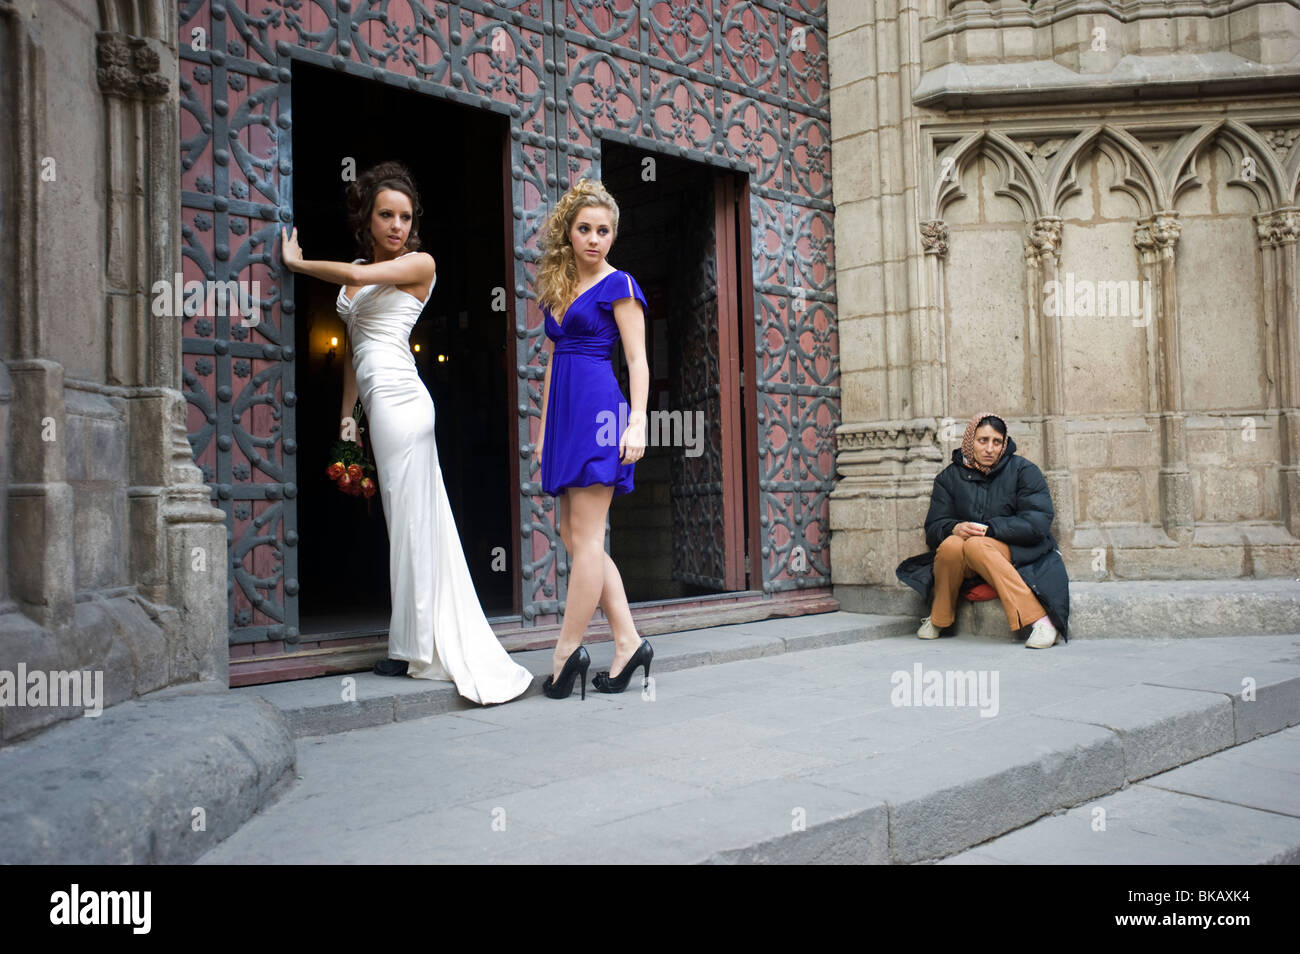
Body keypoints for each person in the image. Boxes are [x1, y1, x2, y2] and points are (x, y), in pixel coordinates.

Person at [280, 160, 531, 704]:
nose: (396, 225)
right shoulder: (359, 267)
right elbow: (352, 351)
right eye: (386, 215)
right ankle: (413, 641)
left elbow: (353, 280)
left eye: (405, 216)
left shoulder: (420, 262)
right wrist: (349, 417)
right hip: (378, 403)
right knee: (412, 522)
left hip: (404, 401)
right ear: (367, 220)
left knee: (411, 523)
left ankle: (412, 647)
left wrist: (296, 264)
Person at [534, 179, 653, 699]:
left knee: (588, 537)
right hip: (565, 415)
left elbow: (637, 360)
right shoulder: (560, 286)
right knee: (572, 534)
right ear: (570, 230)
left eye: (604, 230)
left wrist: (639, 421)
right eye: (585, 228)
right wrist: (542, 433)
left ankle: (566, 653)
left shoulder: (620, 285)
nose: (594, 239)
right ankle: (627, 641)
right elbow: (551, 364)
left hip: (601, 411)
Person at [896, 412, 1070, 648]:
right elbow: (934, 528)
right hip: (967, 558)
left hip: (1018, 550)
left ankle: (1040, 620)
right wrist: (955, 527)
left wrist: (991, 530)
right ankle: (939, 618)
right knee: (951, 544)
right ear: (970, 441)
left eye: (996, 442)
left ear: (1004, 443)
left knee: (976, 544)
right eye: (983, 440)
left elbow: (1037, 523)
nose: (990, 448)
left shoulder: (1023, 471)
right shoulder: (949, 478)